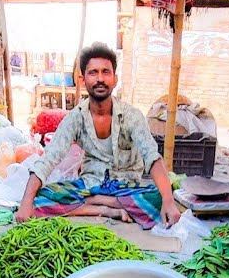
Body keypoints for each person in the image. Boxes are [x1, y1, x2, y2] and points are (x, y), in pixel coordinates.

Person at [16, 43, 181, 228]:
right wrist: (25, 202)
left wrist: (167, 202)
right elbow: (47, 160)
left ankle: (101, 202)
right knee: (39, 198)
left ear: (115, 79)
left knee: (161, 197)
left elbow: (152, 158)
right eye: (93, 72)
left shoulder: (131, 116)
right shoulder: (75, 118)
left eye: (105, 72)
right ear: (82, 79)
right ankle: (104, 208)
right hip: (89, 185)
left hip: (127, 188)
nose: (100, 78)